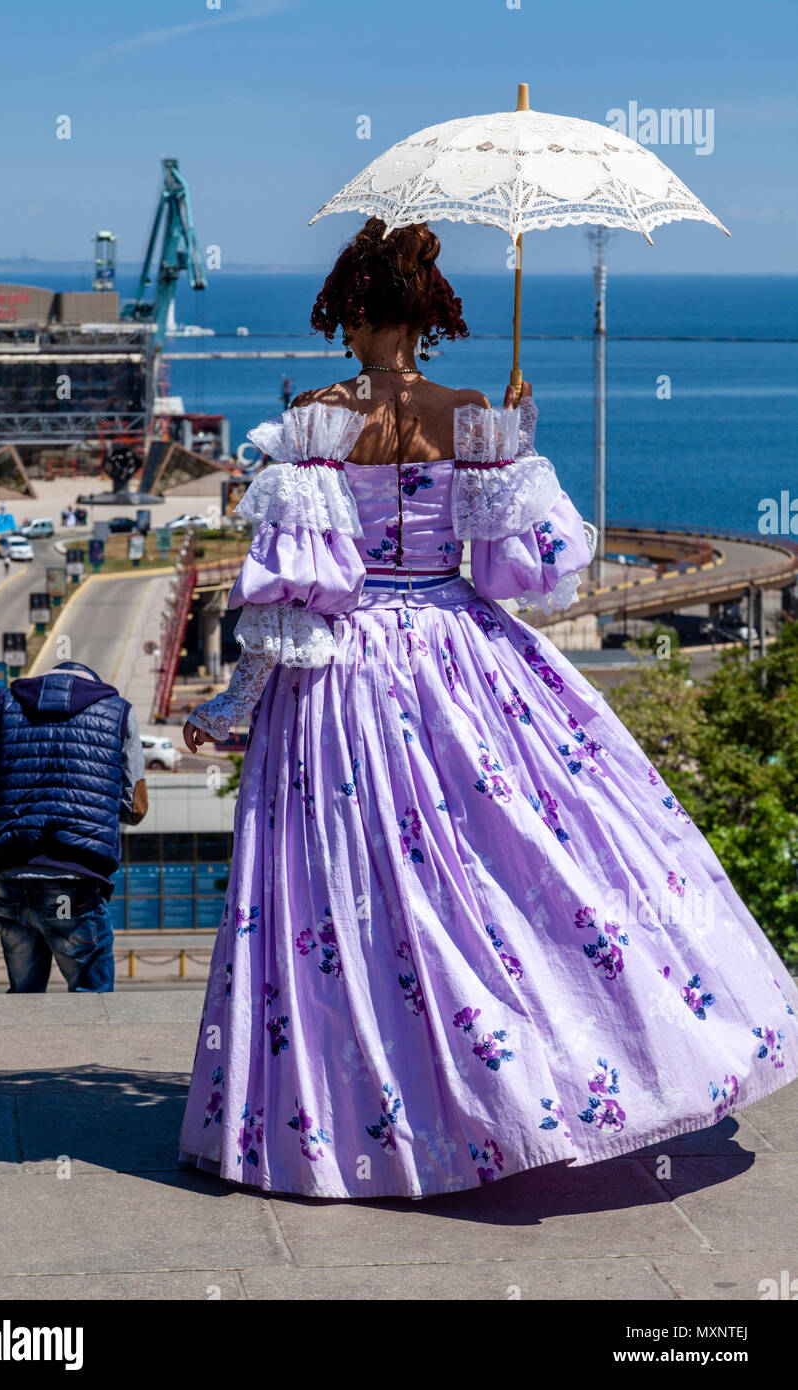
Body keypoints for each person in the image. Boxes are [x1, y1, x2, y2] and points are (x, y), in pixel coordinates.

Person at [178, 218, 798, 1200]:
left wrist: (229, 705)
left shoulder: (307, 425)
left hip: (337, 681)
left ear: (354, 308)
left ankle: (349, 1124)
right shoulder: (468, 414)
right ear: (426, 313)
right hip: (456, 656)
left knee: (344, 895)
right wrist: (511, 441)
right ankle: (512, 1092)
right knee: (501, 864)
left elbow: (290, 598)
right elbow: (525, 573)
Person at [0, 661, 147, 992]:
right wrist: (96, 796)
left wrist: (20, 782)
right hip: (74, 880)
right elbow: (137, 808)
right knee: (93, 999)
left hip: (12, 880)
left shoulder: (9, 702)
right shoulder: (118, 712)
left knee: (24, 996)